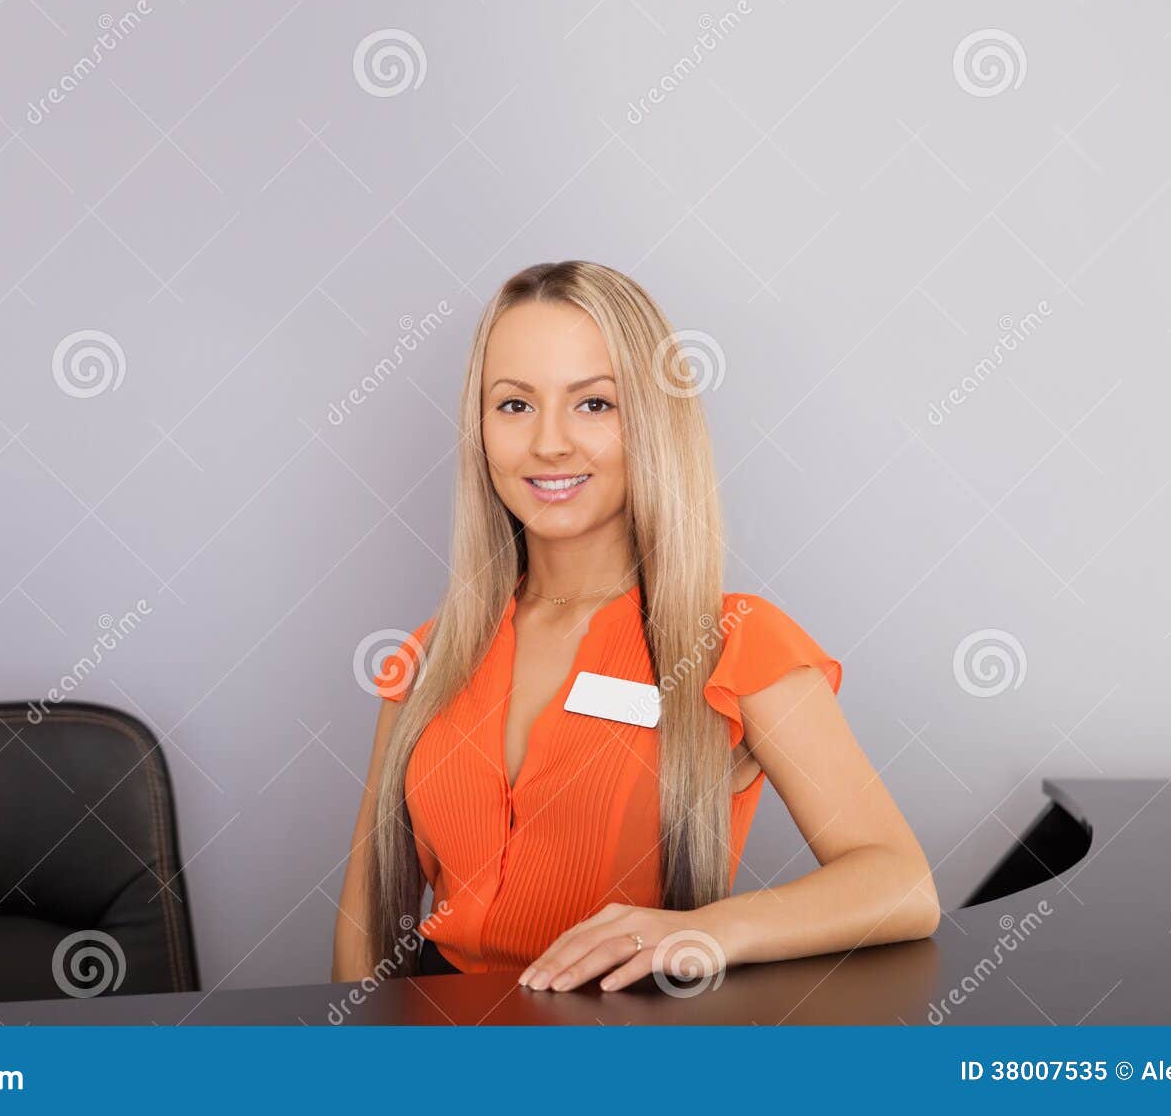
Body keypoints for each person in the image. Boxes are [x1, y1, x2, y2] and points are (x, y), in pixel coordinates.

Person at [332, 260, 939, 993]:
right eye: (515, 405)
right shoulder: (430, 653)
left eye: (593, 404)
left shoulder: (734, 642)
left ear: (650, 419)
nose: (549, 443)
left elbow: (900, 882)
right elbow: (368, 912)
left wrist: (702, 931)